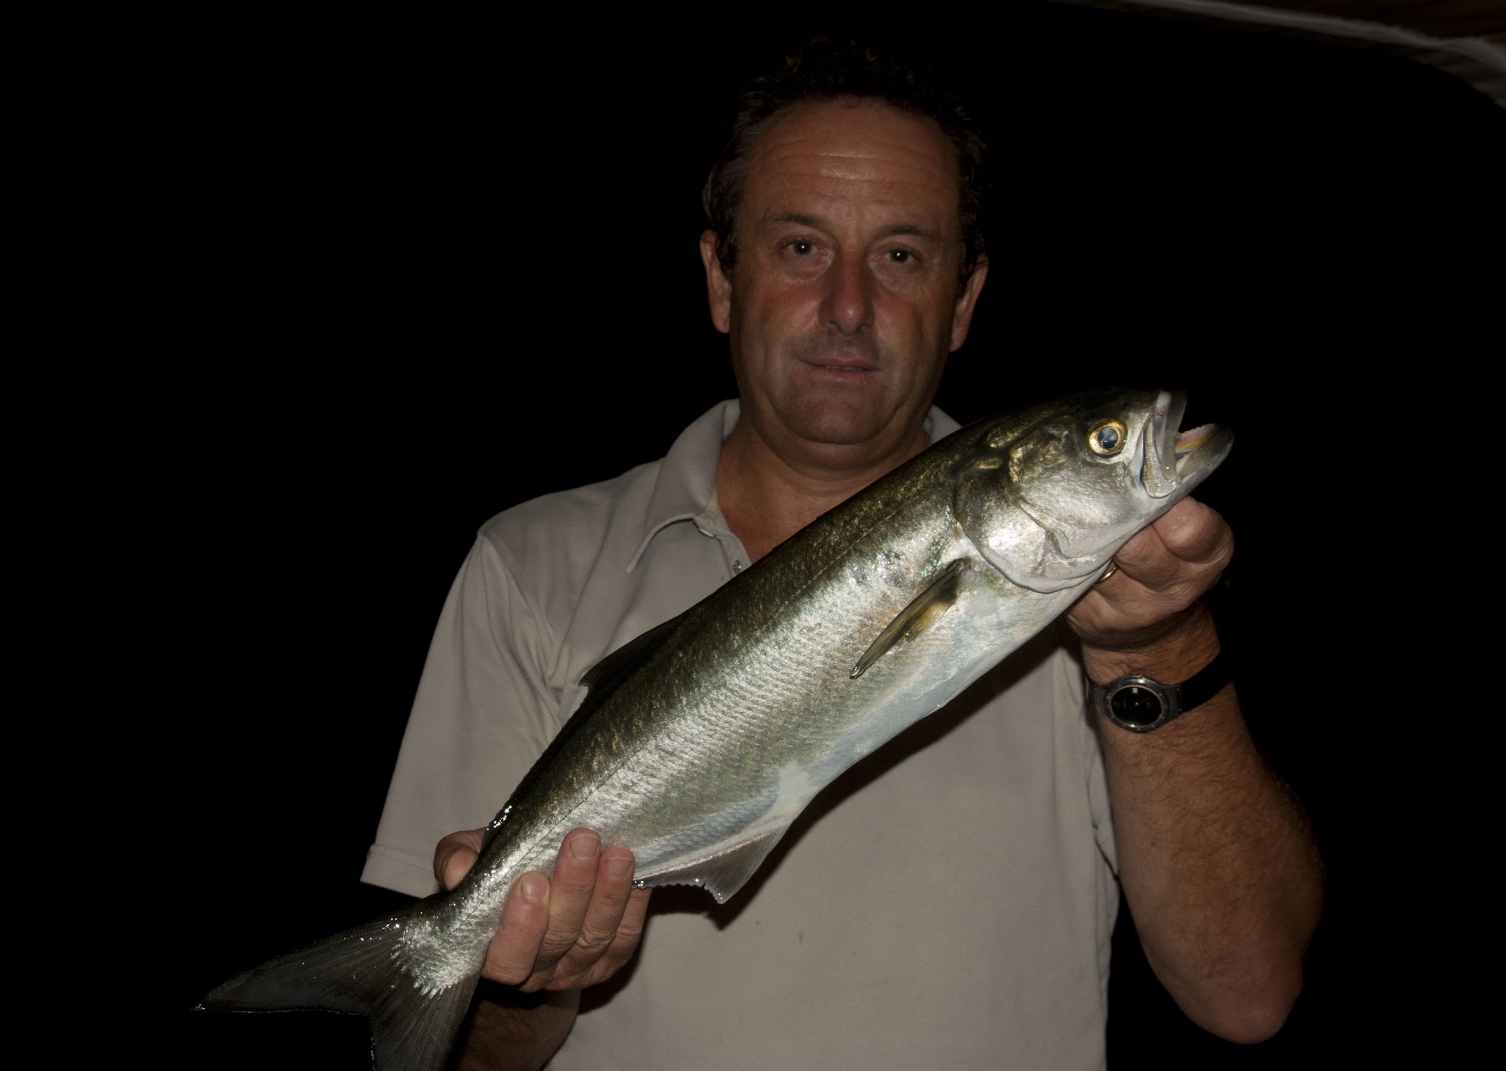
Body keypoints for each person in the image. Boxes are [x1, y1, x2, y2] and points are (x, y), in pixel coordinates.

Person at [360, 39, 1322, 1069]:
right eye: (800, 248)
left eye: (903, 255)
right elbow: (485, 1062)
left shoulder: (1109, 607)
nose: (850, 306)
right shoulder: (530, 569)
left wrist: (1163, 651)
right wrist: (534, 972)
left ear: (963, 301)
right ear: (720, 279)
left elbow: (1248, 996)